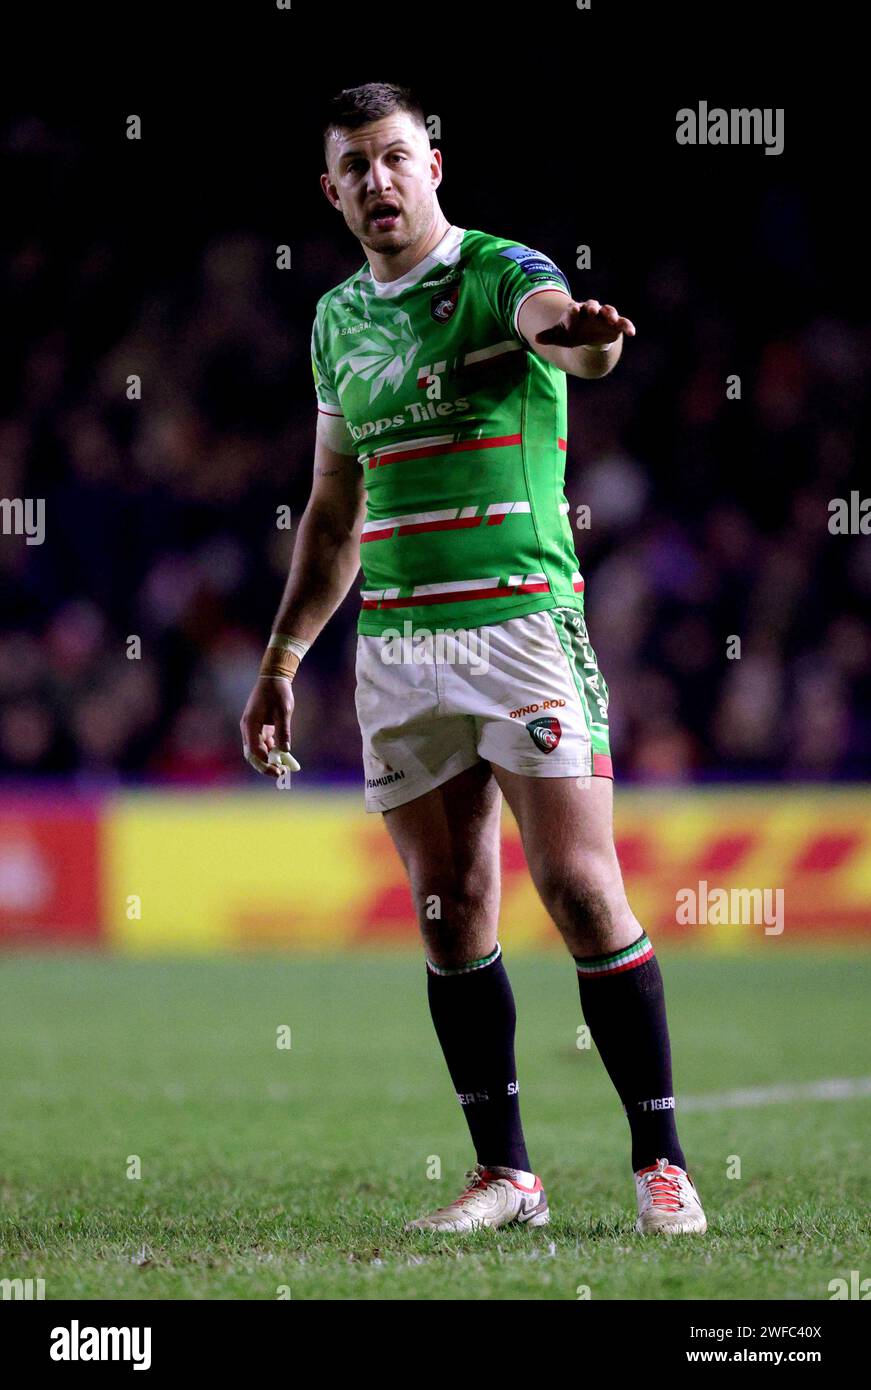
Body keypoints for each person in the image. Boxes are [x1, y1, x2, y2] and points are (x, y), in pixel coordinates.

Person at [240, 81, 706, 1236]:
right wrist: (284, 656)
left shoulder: (500, 271)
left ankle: (662, 1164)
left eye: (393, 157)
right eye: (353, 167)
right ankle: (507, 1174)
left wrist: (583, 343)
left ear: (432, 164)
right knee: (450, 913)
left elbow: (557, 328)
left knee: (581, 891)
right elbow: (334, 507)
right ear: (331, 190)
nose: (376, 182)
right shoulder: (336, 321)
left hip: (519, 624)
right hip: (398, 645)